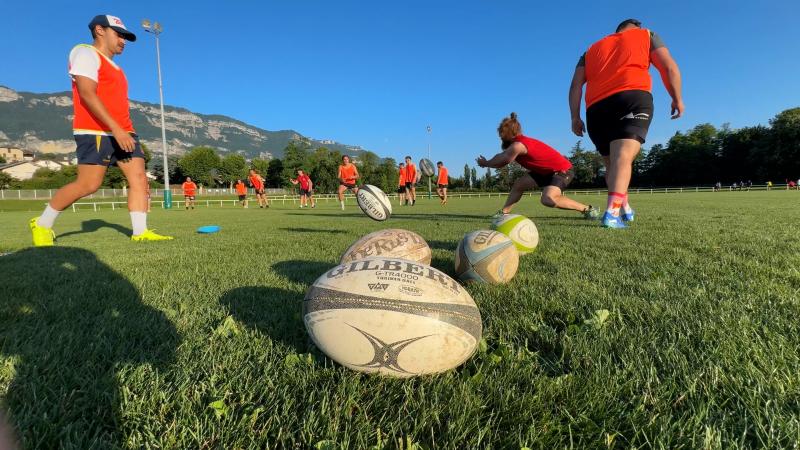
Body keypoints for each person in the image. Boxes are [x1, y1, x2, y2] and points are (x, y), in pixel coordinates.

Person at [29, 15, 173, 245]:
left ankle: (140, 232)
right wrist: (115, 129)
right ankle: (42, 223)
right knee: (89, 185)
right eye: (119, 34)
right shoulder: (85, 52)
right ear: (100, 30)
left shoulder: (116, 68)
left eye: (125, 37)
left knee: (139, 179)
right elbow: (87, 93)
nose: (123, 41)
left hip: (125, 131)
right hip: (95, 130)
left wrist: (124, 129)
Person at [569, 18, 683, 228]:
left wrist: (574, 117)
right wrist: (676, 97)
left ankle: (624, 209)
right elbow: (668, 67)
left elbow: (575, 85)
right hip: (631, 96)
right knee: (623, 156)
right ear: (636, 27)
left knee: (612, 165)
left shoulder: (590, 50)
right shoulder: (646, 35)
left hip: (596, 108)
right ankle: (611, 214)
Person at [477, 113, 599, 219]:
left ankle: (588, 209)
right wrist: (488, 162)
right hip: (544, 172)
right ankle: (503, 213)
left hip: (562, 171)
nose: (500, 136)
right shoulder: (516, 144)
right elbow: (502, 155)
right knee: (519, 184)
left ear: (509, 133)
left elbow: (502, 160)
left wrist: (486, 163)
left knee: (547, 199)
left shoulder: (518, 146)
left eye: (501, 134)